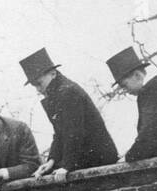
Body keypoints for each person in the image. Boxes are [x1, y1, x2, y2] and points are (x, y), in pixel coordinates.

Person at [19, 48, 118, 181]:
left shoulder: (68, 92)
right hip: (84, 155)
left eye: (39, 83)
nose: (38, 89)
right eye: (34, 86)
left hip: (97, 155)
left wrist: (67, 166)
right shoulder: (57, 94)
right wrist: (51, 161)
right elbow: (60, 133)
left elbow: (74, 132)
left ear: (53, 73)